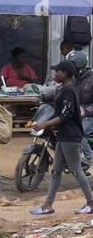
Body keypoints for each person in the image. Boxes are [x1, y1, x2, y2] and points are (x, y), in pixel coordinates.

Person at [29, 59, 93, 216]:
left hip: (70, 136)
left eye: (57, 71)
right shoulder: (63, 89)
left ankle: (91, 203)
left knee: (77, 170)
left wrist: (45, 124)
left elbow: (65, 115)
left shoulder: (69, 91)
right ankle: (47, 206)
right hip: (64, 135)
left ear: (65, 74)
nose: (55, 74)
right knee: (56, 171)